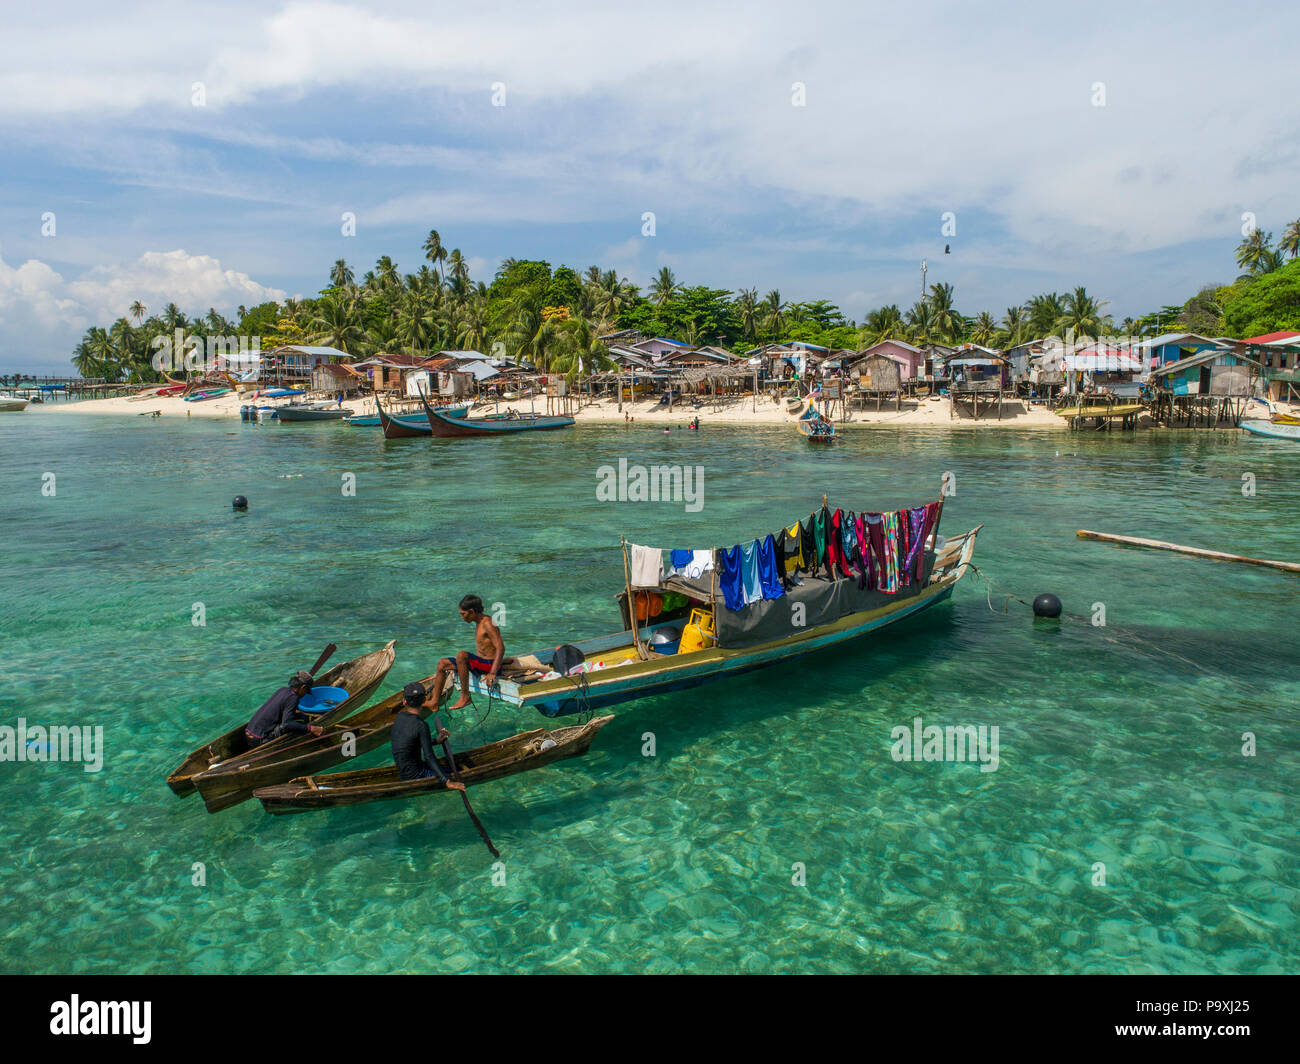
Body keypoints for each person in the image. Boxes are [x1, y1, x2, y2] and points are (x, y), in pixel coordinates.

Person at [431, 594, 505, 711]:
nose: (462, 617)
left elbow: (501, 648)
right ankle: (434, 702)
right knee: (442, 664)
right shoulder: (479, 622)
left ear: (471, 612)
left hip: (489, 665)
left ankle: (465, 696)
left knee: (462, 655)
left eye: (463, 614)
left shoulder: (488, 623)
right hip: (480, 664)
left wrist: (492, 673)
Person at [390, 682, 466, 789]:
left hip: (404, 773)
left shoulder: (399, 717)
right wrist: (446, 782)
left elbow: (412, 742)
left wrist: (436, 741)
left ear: (404, 701)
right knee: (459, 770)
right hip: (417, 776)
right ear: (424, 701)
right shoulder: (421, 725)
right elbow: (429, 756)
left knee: (448, 767)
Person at [245, 670, 324, 746]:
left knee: (301, 716)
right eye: (306, 692)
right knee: (299, 722)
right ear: (303, 687)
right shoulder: (293, 698)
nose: (305, 695)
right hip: (259, 739)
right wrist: (311, 728)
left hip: (249, 733)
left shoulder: (283, 690)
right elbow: (287, 724)